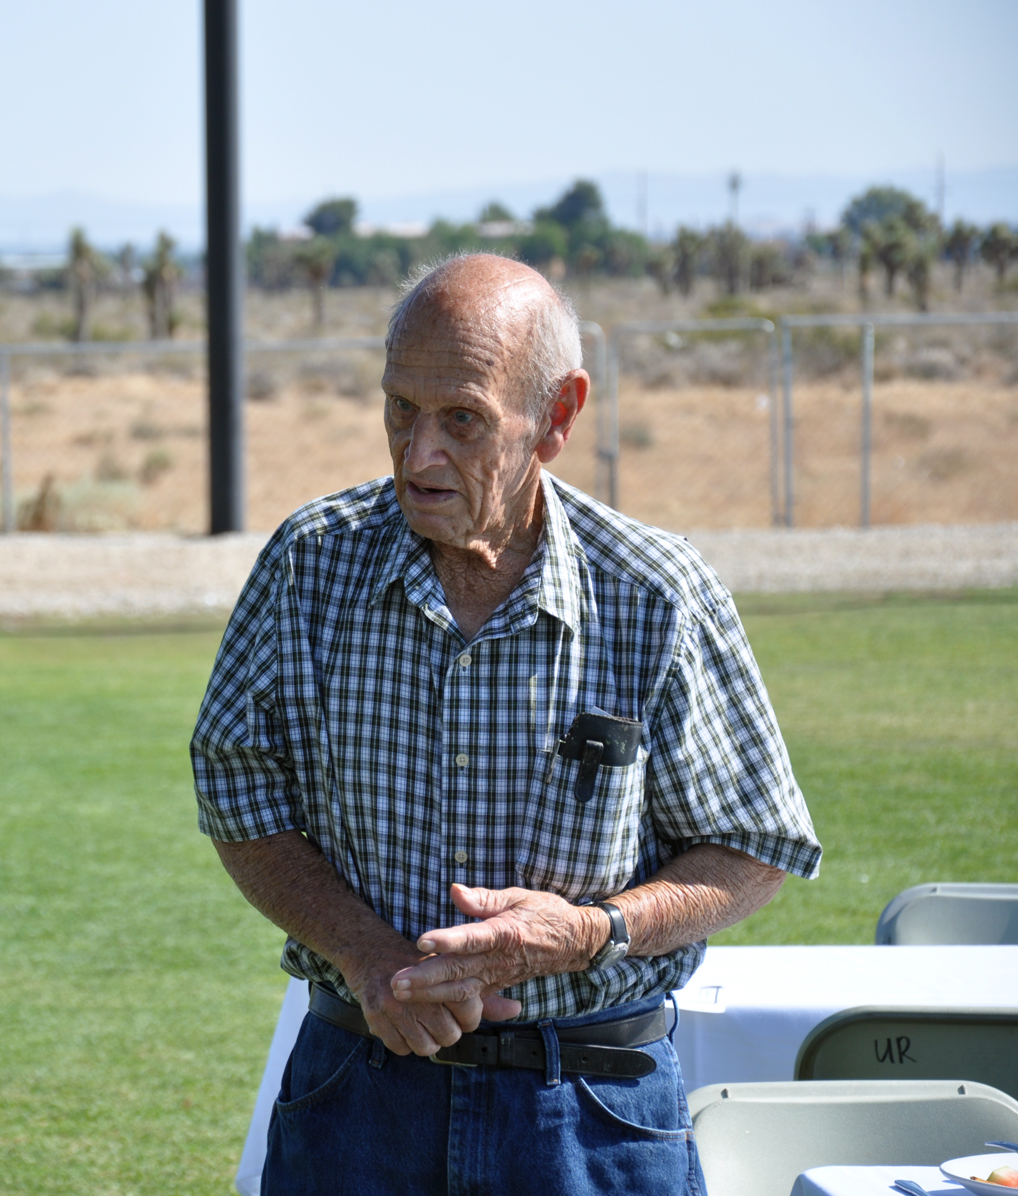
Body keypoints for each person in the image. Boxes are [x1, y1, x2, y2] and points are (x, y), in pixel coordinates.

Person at [191, 253, 821, 1194]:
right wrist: (366, 954)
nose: (417, 454)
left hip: (593, 1111)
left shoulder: (655, 592)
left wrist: (592, 931)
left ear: (558, 417)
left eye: (463, 420)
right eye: (400, 407)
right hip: (358, 1094)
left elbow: (753, 844)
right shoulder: (309, 565)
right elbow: (236, 786)